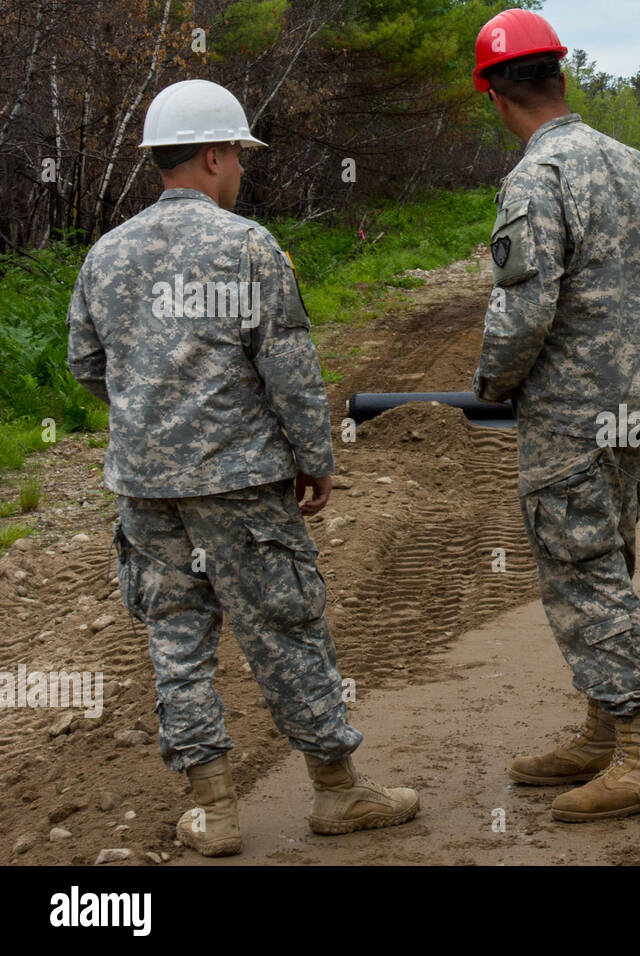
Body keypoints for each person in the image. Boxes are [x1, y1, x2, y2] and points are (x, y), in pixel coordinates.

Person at [66, 78, 418, 856]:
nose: (242, 174)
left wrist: (151, 410)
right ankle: (338, 793)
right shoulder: (246, 246)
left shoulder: (106, 252)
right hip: (241, 484)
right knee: (286, 629)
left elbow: (87, 365)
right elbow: (288, 370)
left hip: (145, 489)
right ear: (217, 154)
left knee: (176, 643)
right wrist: (314, 459)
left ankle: (215, 813)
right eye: (239, 159)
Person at [470, 9, 640, 822]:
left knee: (587, 578)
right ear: (561, 77)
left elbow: (523, 313)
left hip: (567, 419)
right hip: (627, 405)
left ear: (496, 95)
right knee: (610, 562)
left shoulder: (537, 177)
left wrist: (493, 383)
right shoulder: (631, 163)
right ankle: (603, 731)